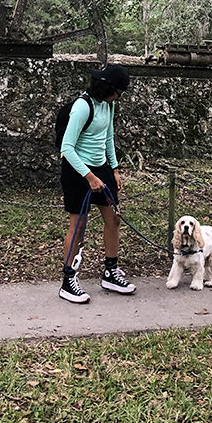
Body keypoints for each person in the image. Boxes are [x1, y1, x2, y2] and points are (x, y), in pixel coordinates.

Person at [59, 63, 136, 304]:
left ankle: (110, 273)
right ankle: (68, 281)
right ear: (108, 88)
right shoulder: (83, 106)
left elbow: (108, 137)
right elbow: (66, 148)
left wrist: (113, 168)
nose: (119, 98)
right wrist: (89, 177)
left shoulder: (108, 105)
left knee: (113, 218)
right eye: (119, 93)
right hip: (77, 170)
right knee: (78, 226)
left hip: (101, 168)